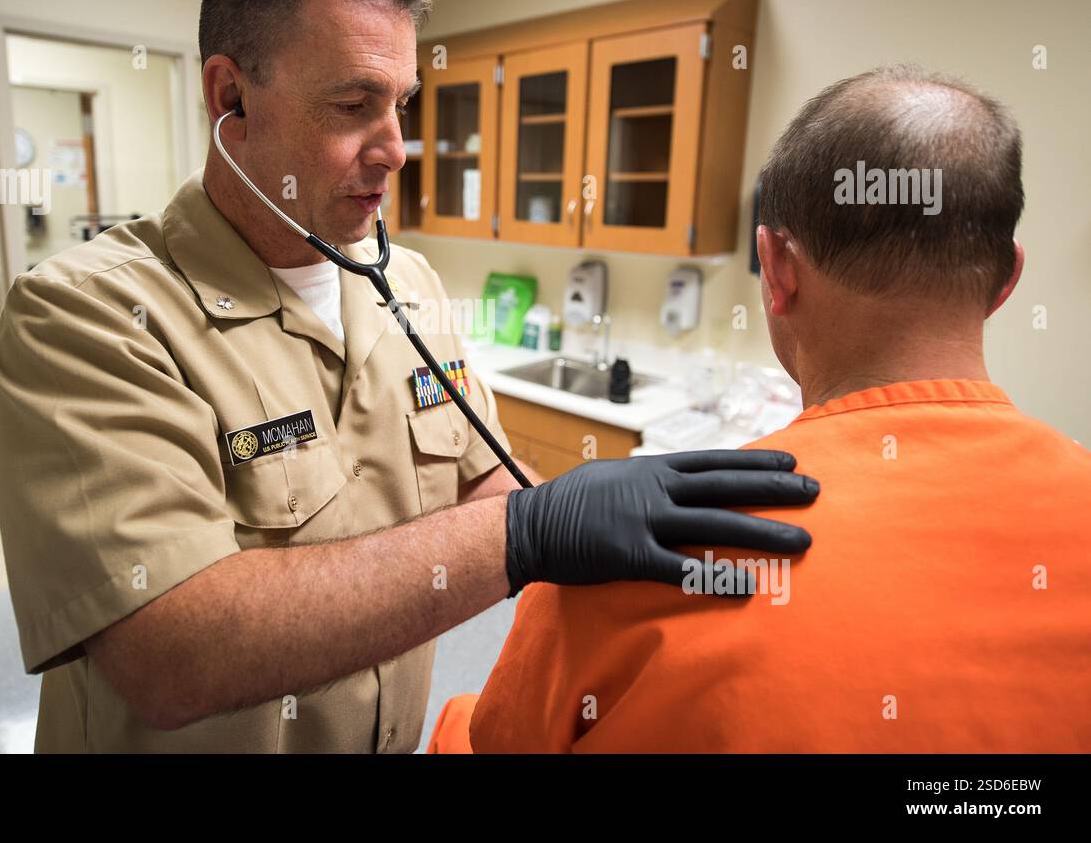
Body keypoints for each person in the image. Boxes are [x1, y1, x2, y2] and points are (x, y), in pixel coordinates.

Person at [0, 0, 818, 753]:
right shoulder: (87, 316)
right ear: (229, 96)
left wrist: (638, 543)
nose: (396, 149)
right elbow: (172, 651)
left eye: (401, 105)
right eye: (353, 105)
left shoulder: (407, 285)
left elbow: (481, 480)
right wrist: (527, 534)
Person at [432, 65, 1091, 753]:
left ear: (774, 269)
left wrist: (449, 721)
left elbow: (496, 740)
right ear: (1008, 278)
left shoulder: (637, 558)